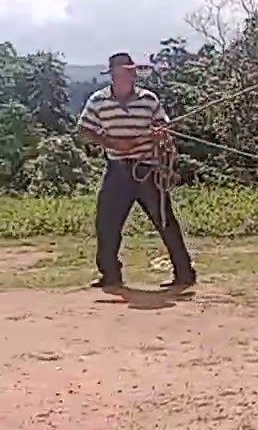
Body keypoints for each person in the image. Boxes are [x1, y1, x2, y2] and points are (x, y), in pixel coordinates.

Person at [76, 52, 196, 291]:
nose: (129, 75)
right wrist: (111, 143)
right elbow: (84, 128)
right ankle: (110, 274)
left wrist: (160, 133)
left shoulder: (149, 99)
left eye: (131, 71)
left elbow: (163, 124)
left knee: (164, 220)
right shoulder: (98, 100)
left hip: (146, 169)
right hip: (117, 170)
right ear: (113, 74)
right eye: (124, 72)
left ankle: (184, 273)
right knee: (107, 223)